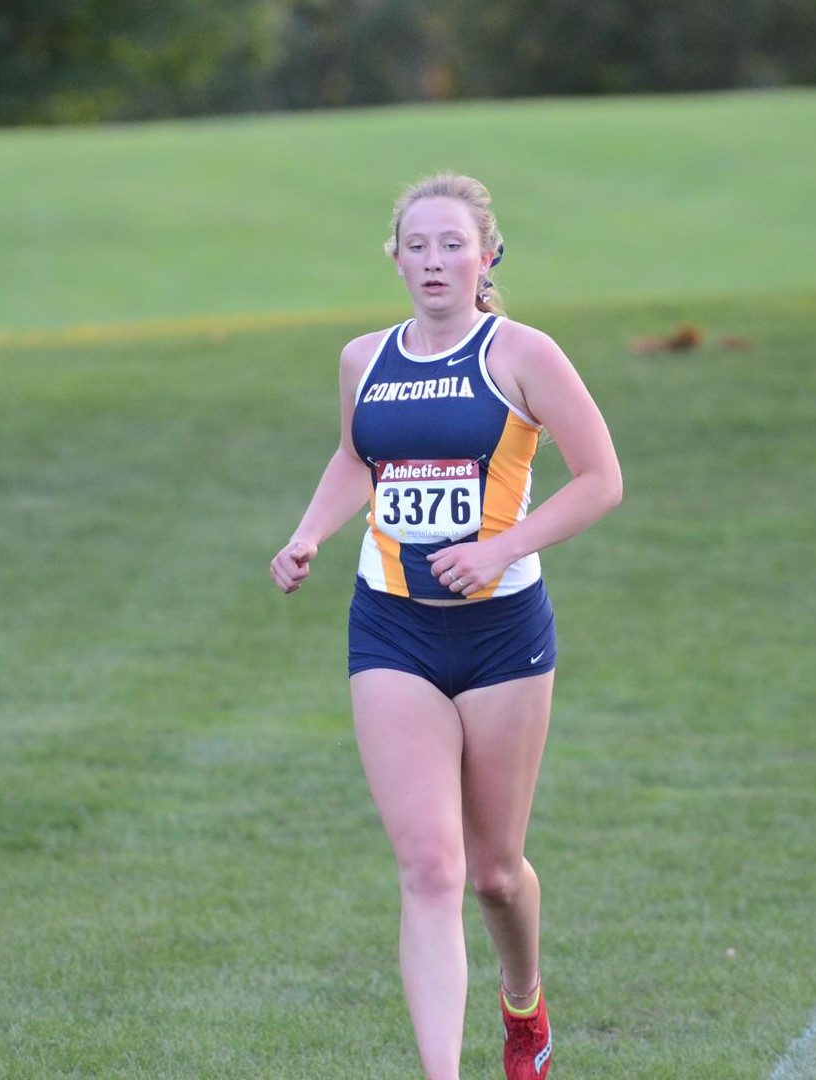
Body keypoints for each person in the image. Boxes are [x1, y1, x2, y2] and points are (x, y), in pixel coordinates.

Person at [270, 173, 622, 1080]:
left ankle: (523, 1003)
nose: (434, 260)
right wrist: (308, 535)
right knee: (429, 868)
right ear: (394, 257)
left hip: (503, 636)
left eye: (453, 244)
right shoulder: (364, 360)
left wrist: (502, 548)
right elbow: (357, 456)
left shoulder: (523, 355)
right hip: (391, 628)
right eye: (417, 245)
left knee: (494, 873)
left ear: (487, 256)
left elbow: (599, 480)